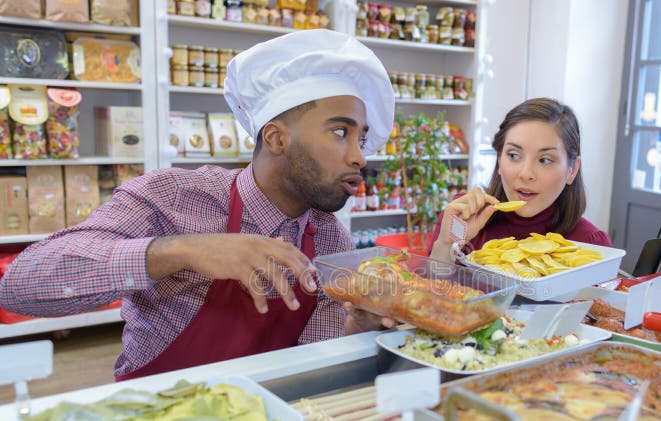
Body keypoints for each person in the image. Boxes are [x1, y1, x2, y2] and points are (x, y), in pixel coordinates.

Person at [0, 30, 396, 380]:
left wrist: (355, 330)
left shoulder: (330, 239)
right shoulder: (173, 196)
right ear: (275, 138)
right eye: (340, 132)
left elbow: (307, 361)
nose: (360, 156)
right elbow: (21, 285)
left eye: (361, 139)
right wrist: (181, 250)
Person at [428, 98, 611, 263]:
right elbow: (426, 295)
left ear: (572, 170)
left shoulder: (591, 245)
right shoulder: (462, 218)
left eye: (545, 160)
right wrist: (447, 245)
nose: (525, 174)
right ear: (499, 159)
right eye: (514, 155)